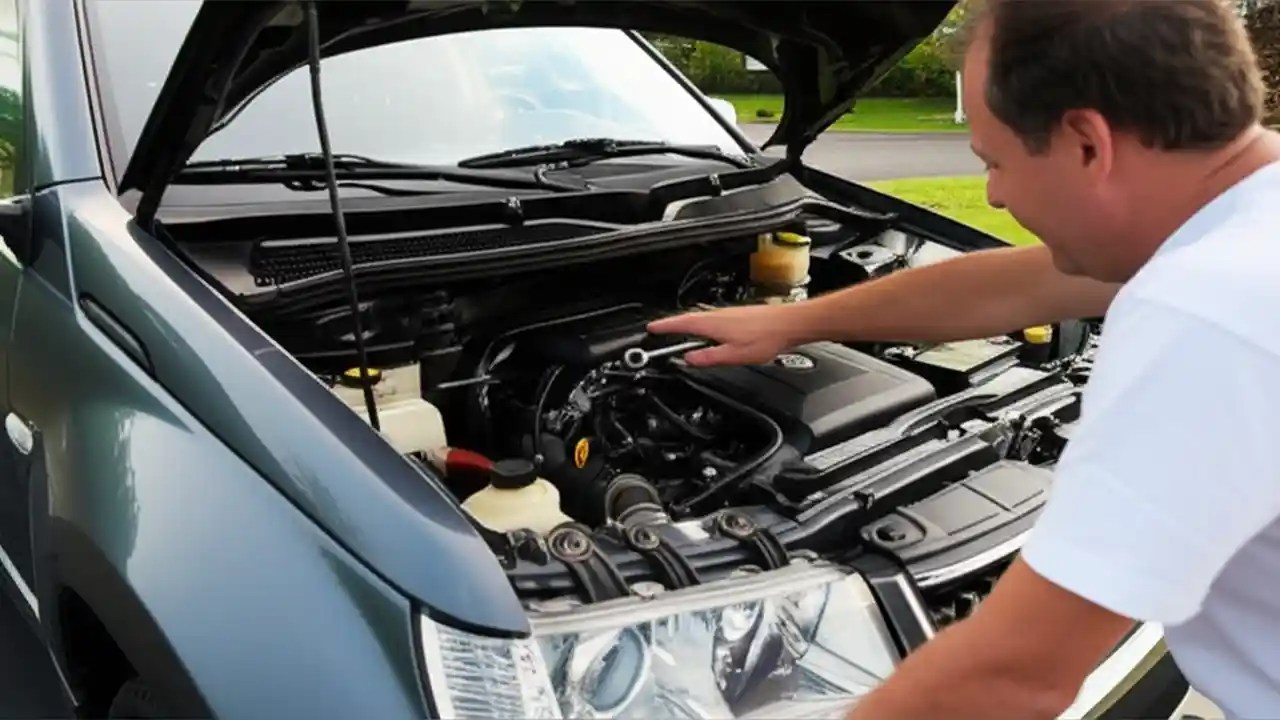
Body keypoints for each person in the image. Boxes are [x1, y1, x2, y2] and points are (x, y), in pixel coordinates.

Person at [648, 0, 1280, 717]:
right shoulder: (1247, 221)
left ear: (1086, 143)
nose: (994, 195)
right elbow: (1020, 282)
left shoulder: (1207, 314)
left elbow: (1014, 675)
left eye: (995, 162)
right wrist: (794, 324)